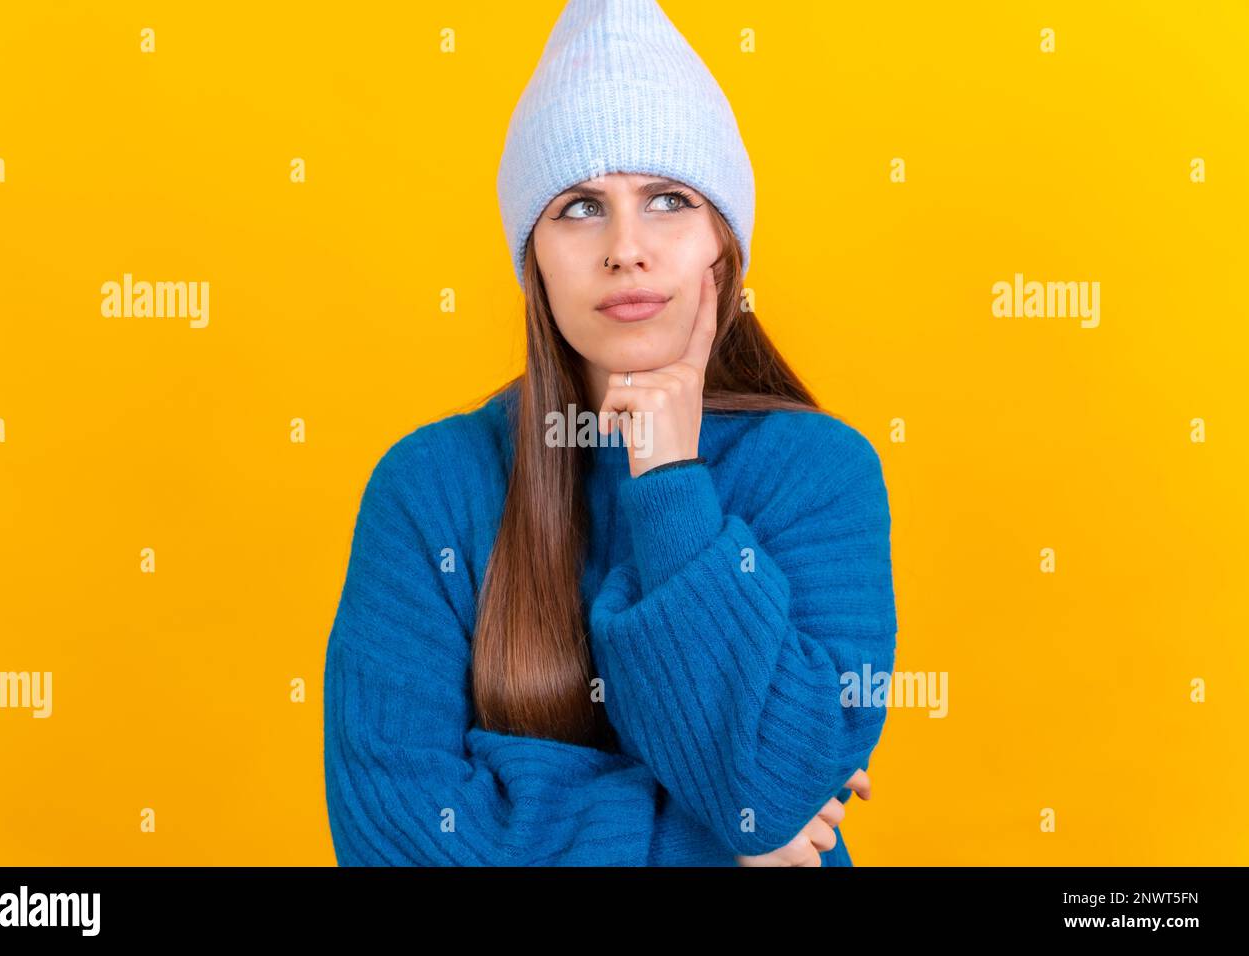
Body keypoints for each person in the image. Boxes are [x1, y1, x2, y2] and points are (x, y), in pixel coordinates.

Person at [323, 0, 897, 866]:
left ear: (722, 244)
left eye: (667, 200)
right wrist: (697, 838)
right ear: (533, 260)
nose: (626, 249)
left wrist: (668, 481)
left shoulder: (819, 473)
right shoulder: (429, 488)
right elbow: (393, 836)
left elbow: (768, 789)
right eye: (580, 208)